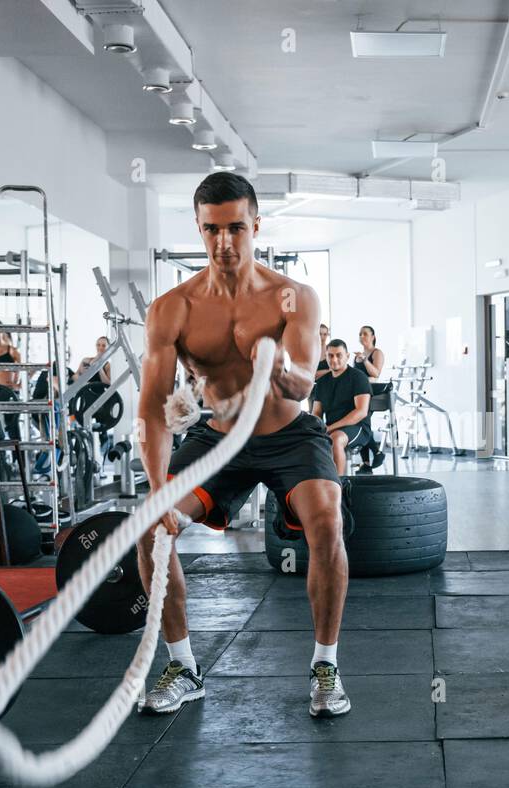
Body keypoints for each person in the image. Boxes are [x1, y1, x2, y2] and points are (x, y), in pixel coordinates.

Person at [136, 171, 352, 719]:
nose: (224, 243)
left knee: (328, 523)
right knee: (147, 529)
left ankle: (325, 665)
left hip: (289, 435)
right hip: (220, 439)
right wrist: (159, 484)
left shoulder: (294, 296)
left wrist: (279, 367)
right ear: (199, 229)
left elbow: (306, 382)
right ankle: (183, 664)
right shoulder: (173, 308)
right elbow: (152, 407)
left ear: (256, 225)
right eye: (212, 230)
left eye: (236, 228)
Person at [310, 339, 372, 475]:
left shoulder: (358, 377)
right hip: (331, 428)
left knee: (335, 439)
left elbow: (361, 412)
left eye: (339, 355)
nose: (334, 359)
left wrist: (330, 428)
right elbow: (316, 412)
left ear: (347, 356)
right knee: (305, 440)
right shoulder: (321, 383)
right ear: (326, 357)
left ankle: (339, 487)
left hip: (358, 428)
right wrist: (313, 429)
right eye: (330, 355)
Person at [352, 325, 387, 472]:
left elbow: (376, 374)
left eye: (365, 334)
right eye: (360, 334)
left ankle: (376, 453)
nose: (362, 336)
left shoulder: (376, 353)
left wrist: (365, 360)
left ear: (373, 336)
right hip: (357, 393)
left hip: (370, 393)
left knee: (362, 424)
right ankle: (367, 463)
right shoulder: (357, 355)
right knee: (361, 424)